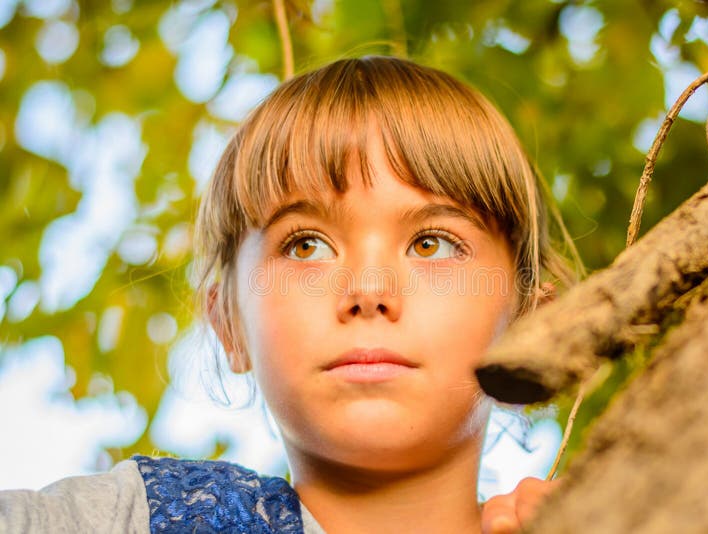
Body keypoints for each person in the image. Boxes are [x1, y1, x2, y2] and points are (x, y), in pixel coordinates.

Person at [0, 56, 575, 533]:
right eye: (306, 246)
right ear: (228, 324)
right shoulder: (132, 521)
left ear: (534, 331)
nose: (368, 292)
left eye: (430, 243)